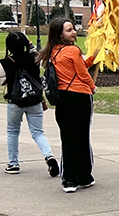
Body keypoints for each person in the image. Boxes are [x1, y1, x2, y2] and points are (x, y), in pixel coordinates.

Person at [39, 18, 96, 193]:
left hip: (63, 98)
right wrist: (92, 87)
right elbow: (82, 73)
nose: (74, 32)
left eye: (73, 29)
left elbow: (77, 67)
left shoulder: (52, 52)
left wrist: (93, 58)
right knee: (82, 137)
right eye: (69, 30)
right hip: (80, 96)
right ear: (60, 34)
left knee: (68, 138)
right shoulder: (73, 50)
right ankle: (83, 175)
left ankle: (70, 179)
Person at [0, 31, 58, 176]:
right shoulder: (34, 58)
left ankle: (13, 163)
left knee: (13, 131)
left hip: (15, 101)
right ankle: (49, 156)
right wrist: (27, 42)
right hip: (34, 100)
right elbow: (35, 51)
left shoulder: (6, 62)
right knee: (38, 132)